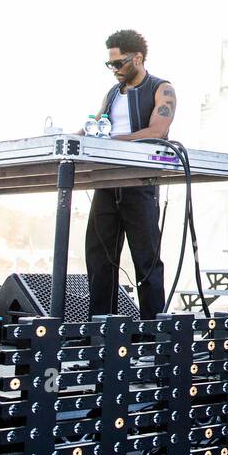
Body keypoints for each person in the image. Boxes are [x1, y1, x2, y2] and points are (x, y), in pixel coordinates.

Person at [85, 28, 176, 319]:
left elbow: (157, 132)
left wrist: (111, 142)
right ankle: (101, 332)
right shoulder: (112, 94)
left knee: (146, 262)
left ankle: (154, 335)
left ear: (137, 58)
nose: (113, 70)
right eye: (109, 64)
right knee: (99, 258)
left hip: (140, 183)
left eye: (118, 63)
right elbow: (93, 127)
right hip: (107, 182)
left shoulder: (161, 88)